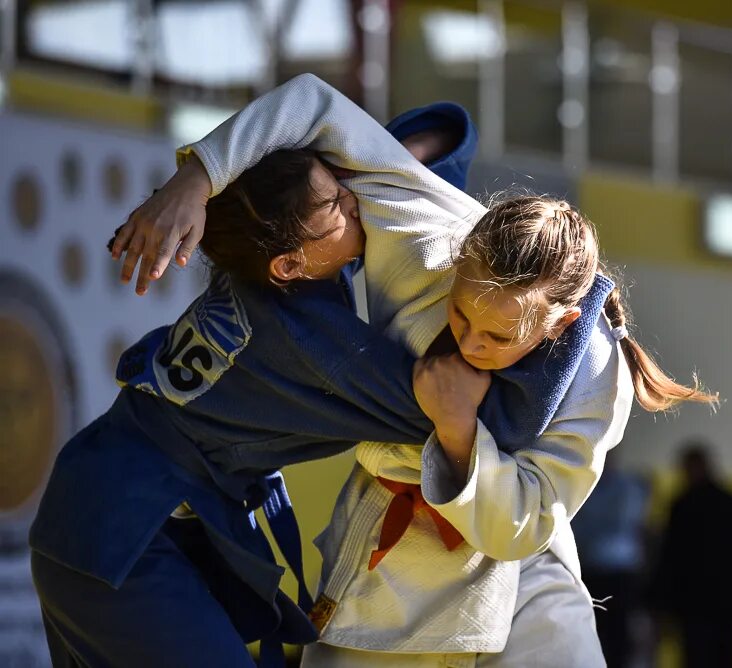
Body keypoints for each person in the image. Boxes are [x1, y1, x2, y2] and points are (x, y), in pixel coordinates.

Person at [69, 74, 715, 667]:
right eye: (461, 316)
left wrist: (459, 432)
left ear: (562, 326)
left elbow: (526, 517)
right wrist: (198, 177)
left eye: (499, 335)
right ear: (465, 251)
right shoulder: (417, 231)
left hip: (521, 579)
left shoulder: (597, 374)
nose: (471, 343)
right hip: (378, 569)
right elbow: (316, 109)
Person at [30, 78, 487, 668]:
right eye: (339, 205)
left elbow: (421, 138)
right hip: (122, 540)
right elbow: (450, 399)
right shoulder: (313, 342)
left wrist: (197, 179)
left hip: (94, 512)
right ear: (291, 262)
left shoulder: (255, 266)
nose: (358, 200)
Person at [654, 442, 732, 668]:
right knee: (723, 658)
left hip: (695, 601)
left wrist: (665, 602)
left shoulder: (683, 506)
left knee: (697, 658)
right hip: (725, 601)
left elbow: (672, 559)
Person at [572, 447, 652, 666]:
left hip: (619, 571)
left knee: (620, 634)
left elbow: (617, 524)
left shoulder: (626, 488)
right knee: (592, 631)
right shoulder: (587, 486)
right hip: (591, 569)